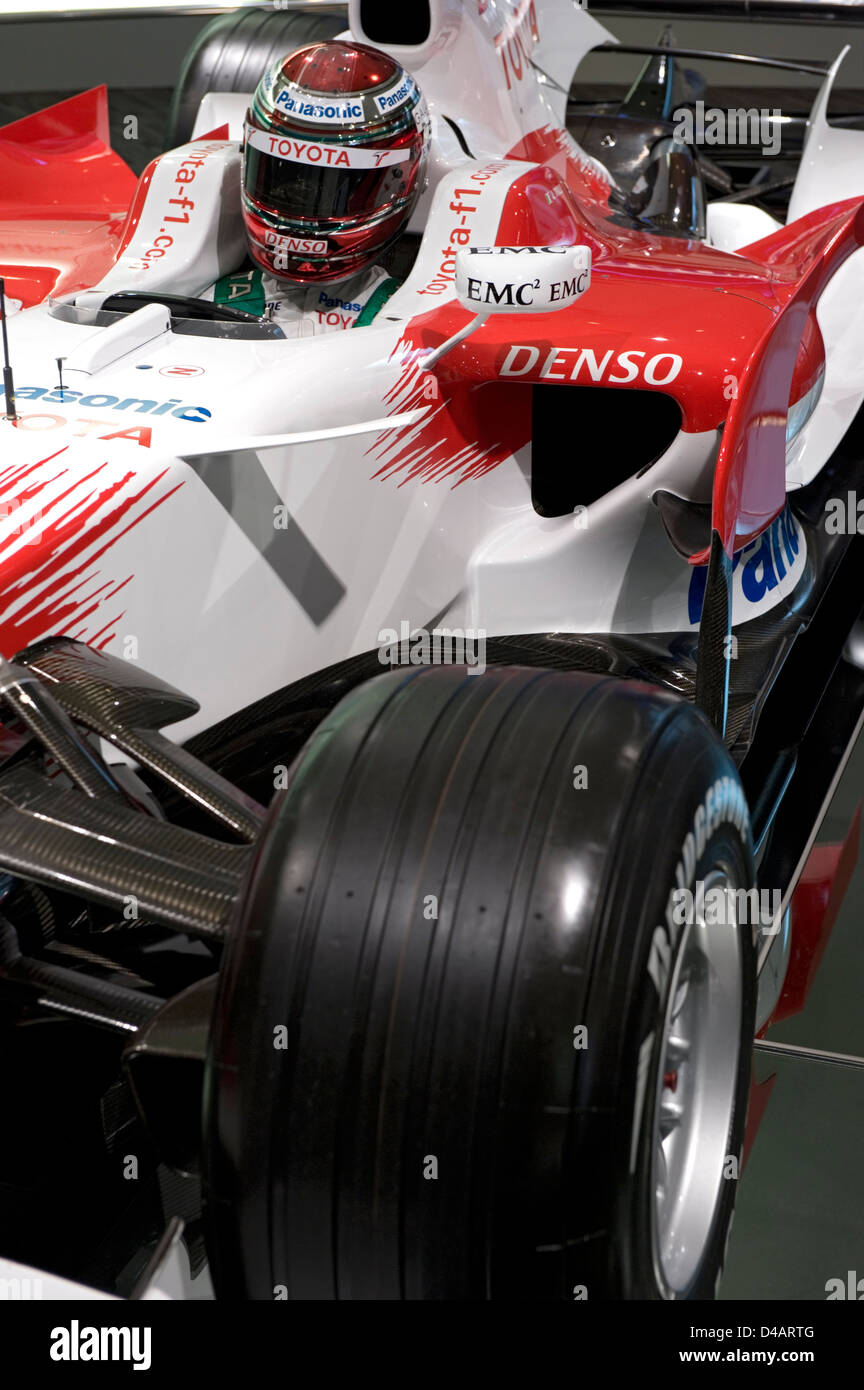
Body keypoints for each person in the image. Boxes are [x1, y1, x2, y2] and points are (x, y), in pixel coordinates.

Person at [205, 38, 430, 337]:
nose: (301, 197)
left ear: (404, 178)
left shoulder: (412, 318)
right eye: (283, 175)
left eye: (341, 186)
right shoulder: (211, 301)